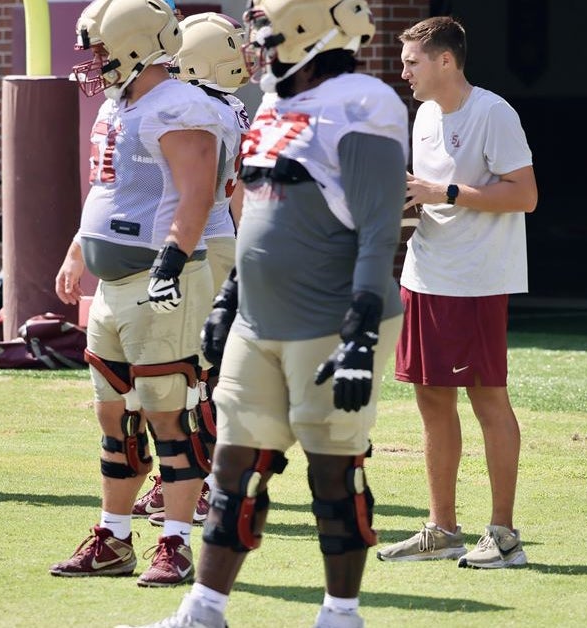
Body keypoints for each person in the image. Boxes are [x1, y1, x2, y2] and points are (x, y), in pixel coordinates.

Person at [125, 0, 407, 626]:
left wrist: (359, 338)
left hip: (333, 317)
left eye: (266, 35)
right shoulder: (277, 103)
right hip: (260, 316)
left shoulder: (364, 101)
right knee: (233, 468)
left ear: (310, 29)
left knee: (333, 471)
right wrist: (228, 301)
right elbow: (255, 212)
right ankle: (204, 609)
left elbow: (378, 232)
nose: (255, 49)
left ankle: (341, 613)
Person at [49, 0, 224, 588]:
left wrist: (172, 263)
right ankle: (114, 537)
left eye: (99, 50)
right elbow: (110, 188)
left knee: (169, 414)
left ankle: (174, 544)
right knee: (113, 416)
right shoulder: (118, 102)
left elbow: (197, 192)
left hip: (158, 279)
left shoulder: (178, 104)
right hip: (111, 285)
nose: (92, 62)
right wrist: (80, 248)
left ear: (132, 44)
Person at [375, 16, 538, 569]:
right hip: (424, 274)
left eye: (411, 62)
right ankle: (442, 530)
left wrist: (440, 191)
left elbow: (524, 195)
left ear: (446, 60)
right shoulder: (422, 115)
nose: (404, 73)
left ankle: (505, 536)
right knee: (429, 398)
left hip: (476, 281)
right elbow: (432, 196)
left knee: (487, 398)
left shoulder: (494, 112)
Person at [132, 9, 252, 529]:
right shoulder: (229, 106)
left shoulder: (198, 107)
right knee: (191, 372)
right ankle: (183, 475)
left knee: (192, 374)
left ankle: (196, 481)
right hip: (218, 239)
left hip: (200, 245)